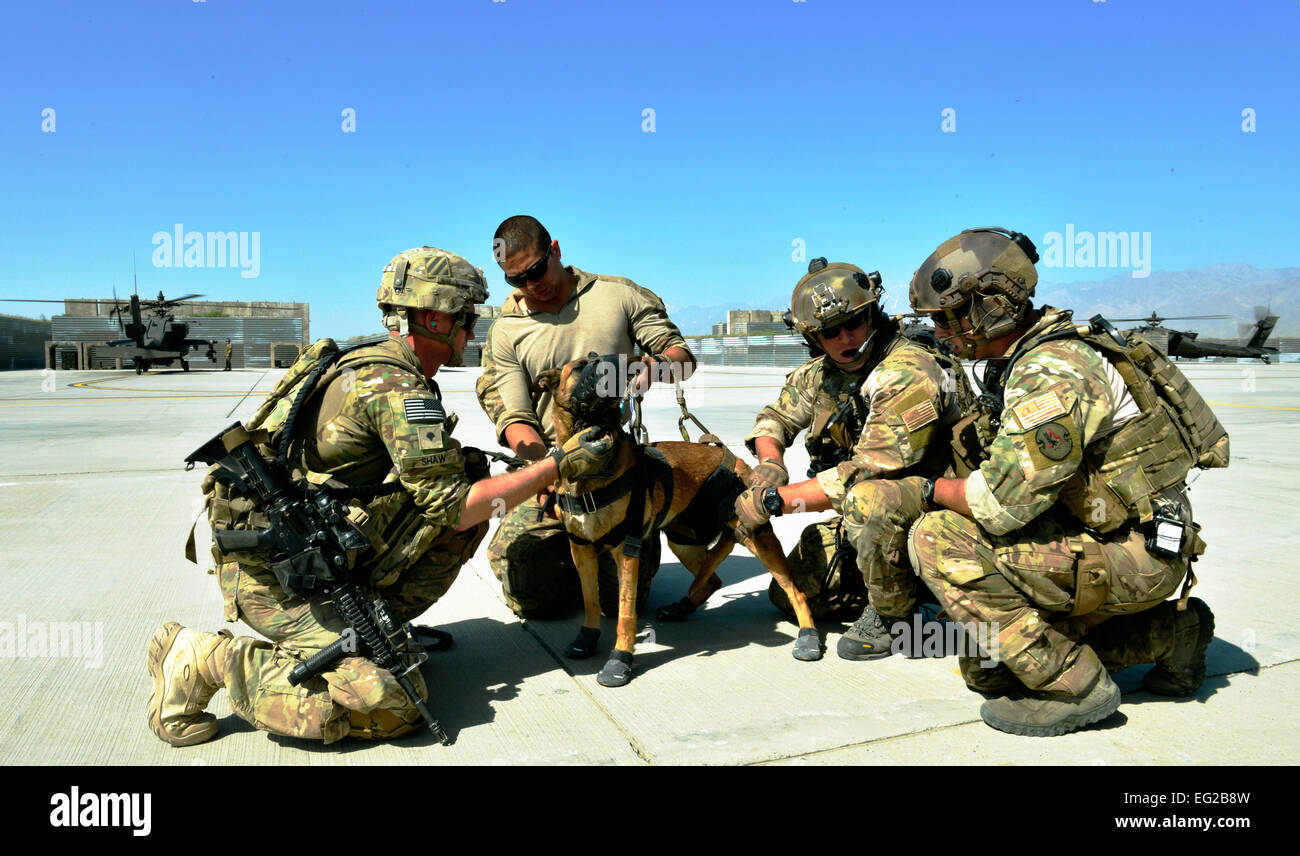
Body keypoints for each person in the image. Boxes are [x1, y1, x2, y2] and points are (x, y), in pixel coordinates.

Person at [146, 246, 613, 746]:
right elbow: (454, 509)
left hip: (306, 560)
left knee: (471, 473)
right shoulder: (398, 389)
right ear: (433, 318)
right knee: (392, 706)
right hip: (279, 584)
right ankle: (206, 660)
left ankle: (368, 623)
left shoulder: (360, 358)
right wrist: (554, 467)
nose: (471, 331)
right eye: (465, 318)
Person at [904, 227, 1223, 736]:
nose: (941, 333)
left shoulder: (1051, 370)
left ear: (990, 305)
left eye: (948, 316)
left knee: (938, 539)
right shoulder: (1022, 359)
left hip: (1137, 553)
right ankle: (1170, 633)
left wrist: (922, 489)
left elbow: (996, 505)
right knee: (987, 665)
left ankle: (1077, 685)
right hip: (1119, 537)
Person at [735, 258, 981, 659]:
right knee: (792, 593)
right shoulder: (822, 373)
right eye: (830, 332)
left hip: (942, 503)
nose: (845, 337)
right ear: (814, 338)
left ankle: (896, 618)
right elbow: (775, 418)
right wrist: (770, 464)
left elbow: (865, 471)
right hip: (882, 509)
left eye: (855, 323)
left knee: (867, 500)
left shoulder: (906, 371)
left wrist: (775, 501)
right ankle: (911, 584)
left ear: (873, 313)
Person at [476, 215, 696, 618]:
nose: (530, 285)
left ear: (555, 251)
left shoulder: (619, 296)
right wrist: (546, 470)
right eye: (516, 280)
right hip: (548, 465)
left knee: (622, 605)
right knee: (530, 593)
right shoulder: (507, 330)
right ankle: (574, 558)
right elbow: (514, 417)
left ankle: (612, 553)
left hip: (617, 467)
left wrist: (657, 368)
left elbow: (682, 359)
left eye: (536, 270)